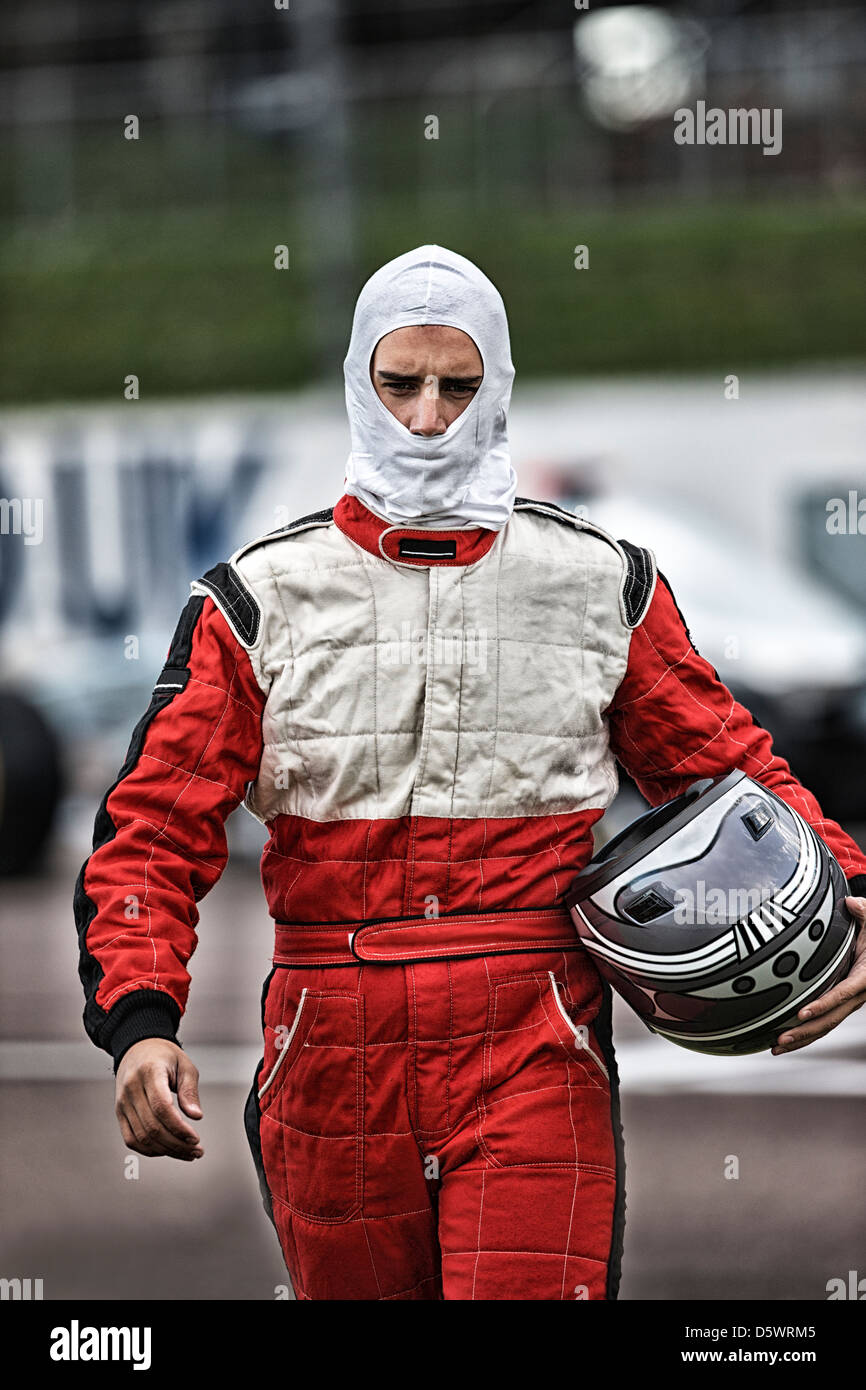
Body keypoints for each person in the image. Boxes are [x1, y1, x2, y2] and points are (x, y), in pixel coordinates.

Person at [74, 245, 866, 1301]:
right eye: (399, 385)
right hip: (327, 1046)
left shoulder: (599, 584)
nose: (430, 417)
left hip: (533, 1036)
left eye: (459, 385)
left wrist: (844, 895)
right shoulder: (257, 599)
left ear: (498, 387)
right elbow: (154, 831)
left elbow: (730, 773)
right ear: (360, 384)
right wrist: (140, 1021)